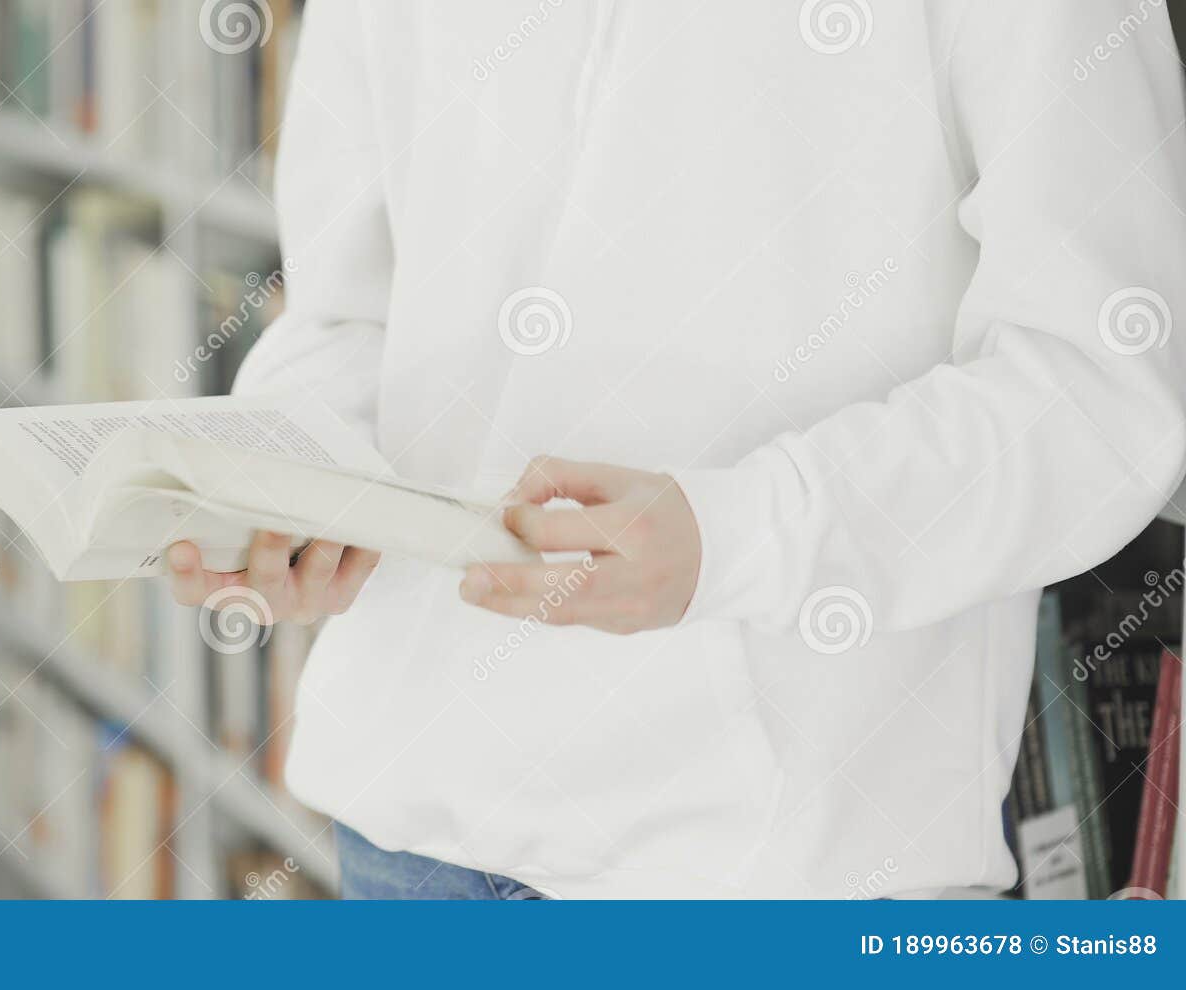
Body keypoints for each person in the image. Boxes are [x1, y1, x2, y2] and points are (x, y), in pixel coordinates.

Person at [167, 0, 1186, 898]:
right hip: (408, 833)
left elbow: (1102, 381)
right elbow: (345, 317)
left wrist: (740, 536)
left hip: (767, 877)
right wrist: (303, 483)